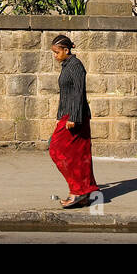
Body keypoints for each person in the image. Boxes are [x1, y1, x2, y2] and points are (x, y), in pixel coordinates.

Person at [48, 34, 99, 209]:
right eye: (53, 53)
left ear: (66, 50)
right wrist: (59, 117)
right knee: (78, 156)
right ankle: (83, 193)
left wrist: (74, 118)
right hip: (67, 115)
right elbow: (65, 95)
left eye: (57, 52)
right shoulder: (67, 66)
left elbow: (79, 93)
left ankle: (77, 192)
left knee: (57, 149)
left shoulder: (76, 66)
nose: (55, 56)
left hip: (75, 117)